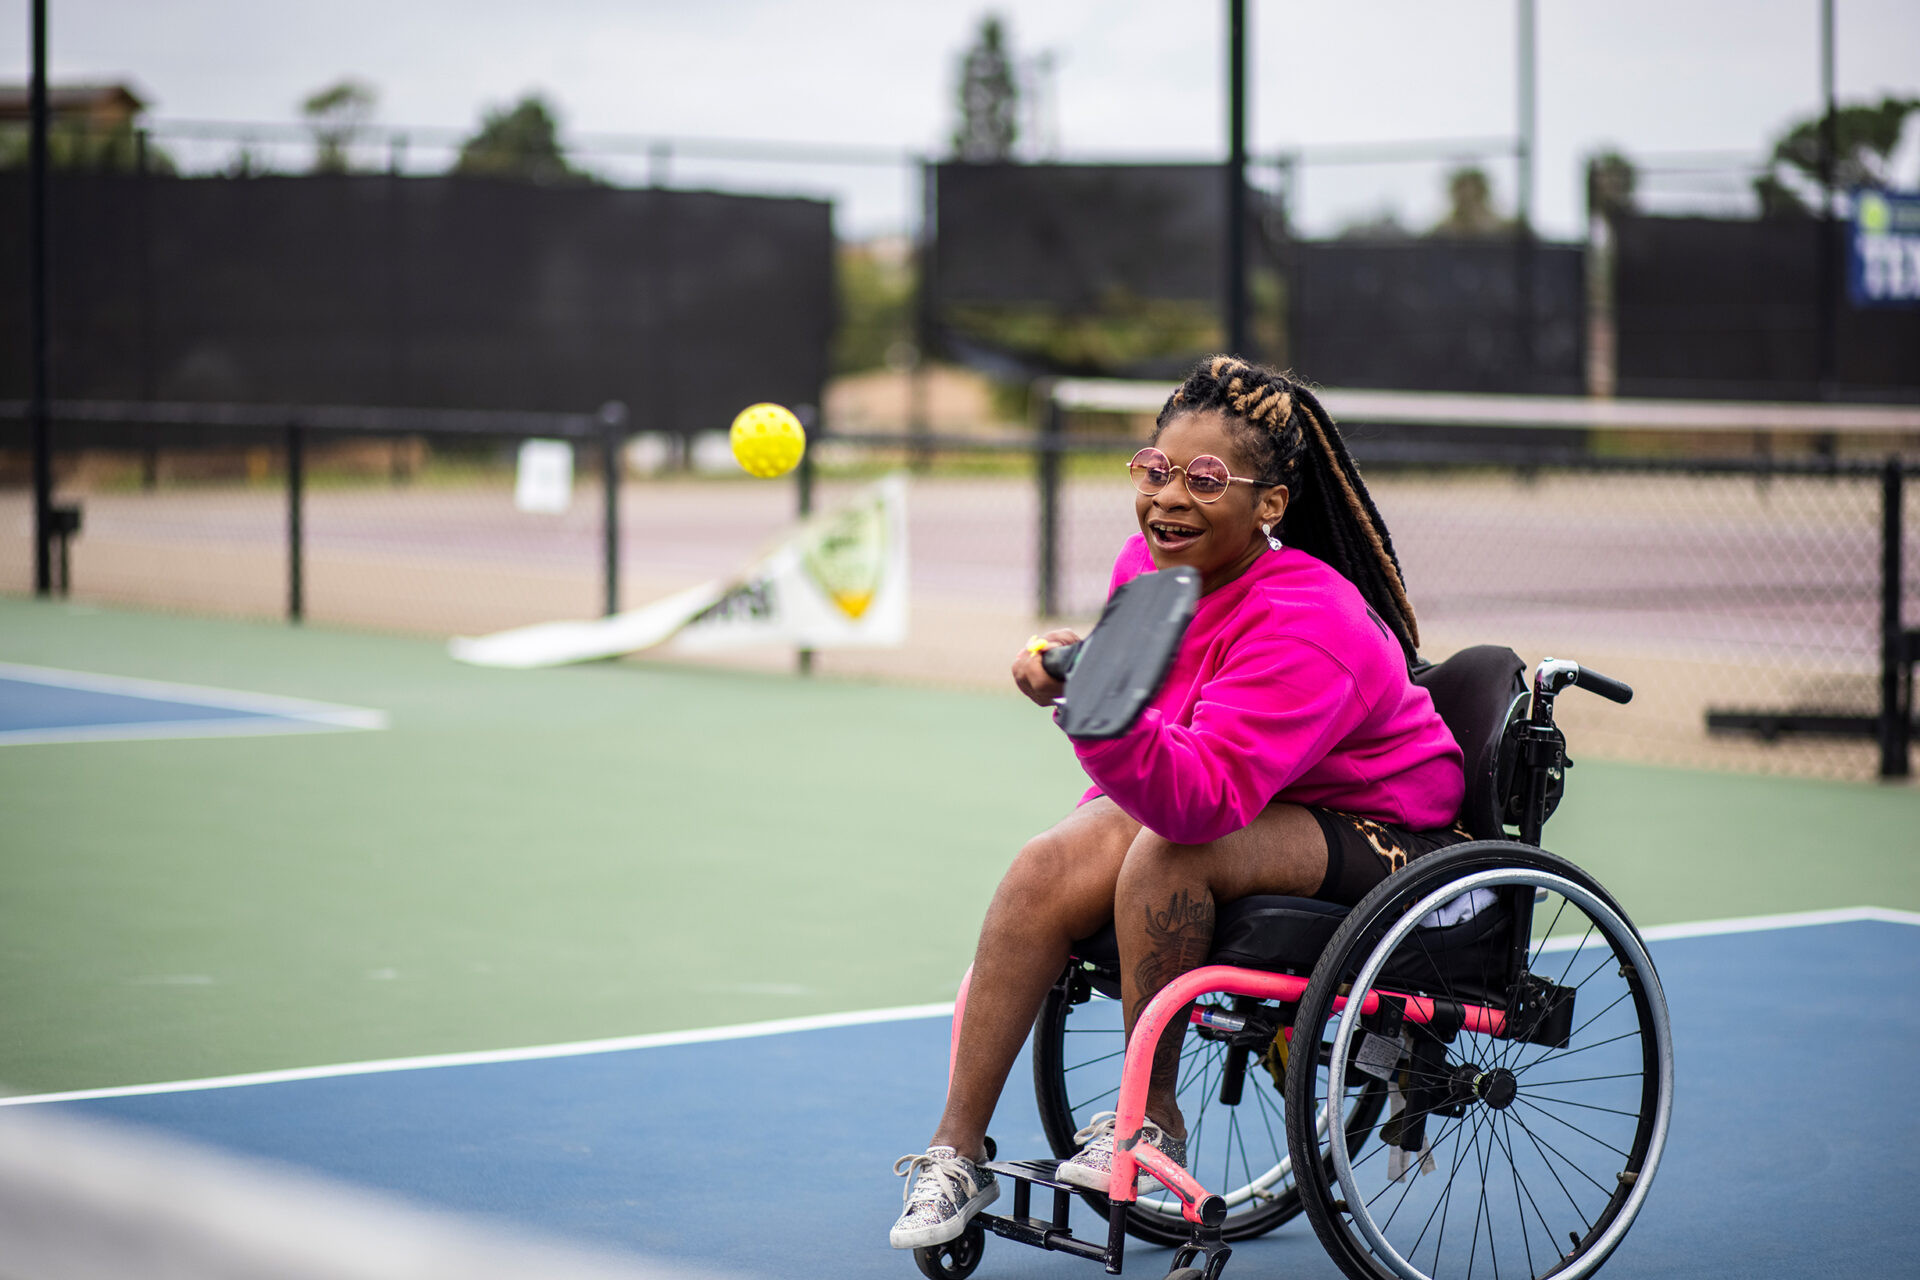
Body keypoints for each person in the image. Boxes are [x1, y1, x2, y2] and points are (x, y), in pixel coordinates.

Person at [889, 356, 1467, 1250]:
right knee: (1046, 865)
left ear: (1270, 504)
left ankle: (1151, 1117)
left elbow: (1200, 802)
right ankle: (955, 1152)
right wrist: (1089, 682)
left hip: (1389, 831)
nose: (1168, 497)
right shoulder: (1152, 571)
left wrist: (1096, 712)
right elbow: (1163, 735)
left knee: (1168, 852)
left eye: (1204, 479)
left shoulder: (1313, 619)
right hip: (1257, 799)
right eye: (1156, 470)